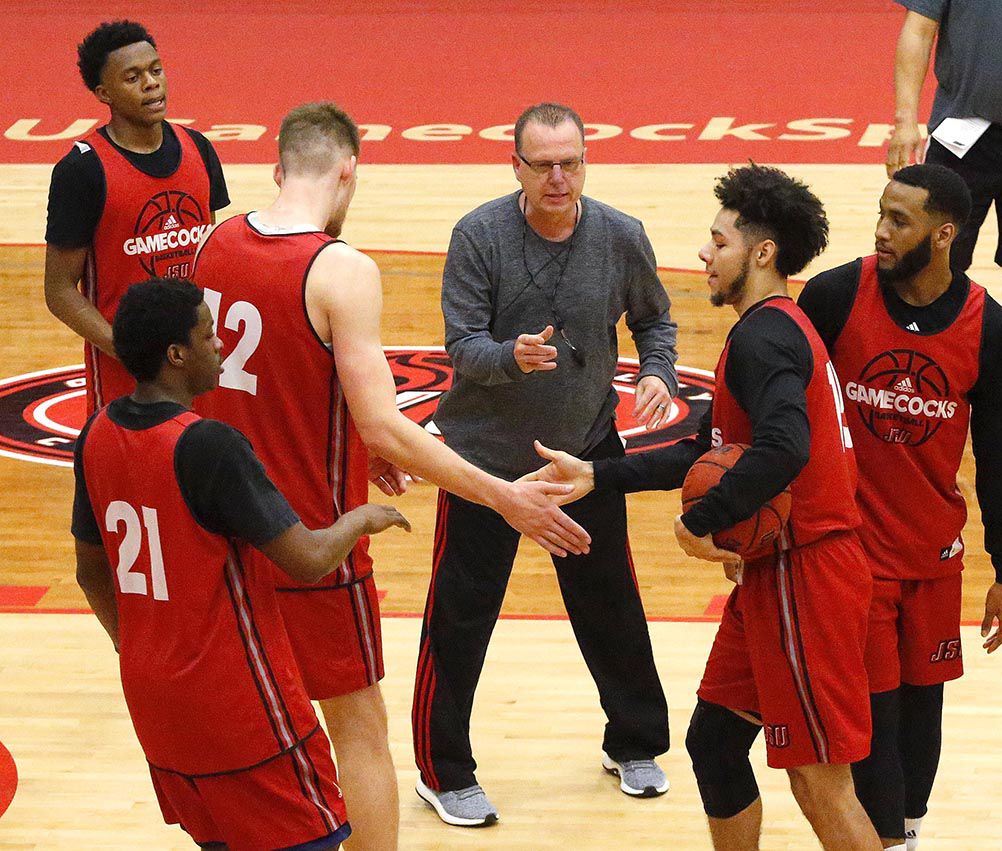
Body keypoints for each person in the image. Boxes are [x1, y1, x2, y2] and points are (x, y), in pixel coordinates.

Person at [190, 101, 590, 849]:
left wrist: (350, 429)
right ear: (349, 169)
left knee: (253, 722)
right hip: (313, 538)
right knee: (359, 729)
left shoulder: (214, 244)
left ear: (277, 168)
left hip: (221, 537)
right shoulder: (340, 269)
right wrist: (502, 496)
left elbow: (257, 380)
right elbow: (385, 426)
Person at [531, 164, 882, 850]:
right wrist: (598, 474)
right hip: (778, 577)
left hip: (806, 575)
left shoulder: (766, 336)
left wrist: (700, 522)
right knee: (715, 740)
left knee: (819, 780)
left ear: (762, 252)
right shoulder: (769, 330)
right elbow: (704, 449)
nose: (703, 252)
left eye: (719, 241)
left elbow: (784, 448)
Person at [72, 277, 412, 850]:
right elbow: (307, 560)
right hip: (239, 704)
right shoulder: (210, 446)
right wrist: (360, 518)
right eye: (208, 335)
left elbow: (89, 572)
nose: (221, 344)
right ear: (176, 355)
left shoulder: (96, 433)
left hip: (154, 701)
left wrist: (136, 644)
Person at [410, 101, 677, 827]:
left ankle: (634, 743)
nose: (559, 178)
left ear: (585, 160)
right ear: (516, 166)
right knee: (460, 618)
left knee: (610, 604)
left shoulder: (621, 235)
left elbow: (654, 318)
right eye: (543, 165)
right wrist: (511, 356)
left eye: (571, 162)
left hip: (582, 454)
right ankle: (443, 770)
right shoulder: (478, 235)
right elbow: (461, 344)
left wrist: (659, 371)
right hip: (486, 466)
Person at [798, 163, 1002, 851]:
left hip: (933, 553)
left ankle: (908, 829)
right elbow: (780, 410)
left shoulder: (987, 328)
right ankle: (886, 838)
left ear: (944, 234)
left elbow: (1001, 458)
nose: (881, 231)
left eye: (900, 220)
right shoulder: (835, 296)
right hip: (851, 553)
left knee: (924, 706)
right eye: (881, 213)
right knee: (876, 711)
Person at [886, 1, 1002, 458]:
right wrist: (905, 119)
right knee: (930, 267)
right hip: (961, 135)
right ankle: (913, 388)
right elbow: (918, 30)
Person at [45, 19, 228, 414]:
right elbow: (59, 291)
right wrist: (130, 351)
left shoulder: (199, 149)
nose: (151, 84)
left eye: (156, 70)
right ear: (104, 93)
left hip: (197, 368)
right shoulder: (82, 170)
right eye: (133, 77)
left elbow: (208, 259)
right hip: (125, 379)